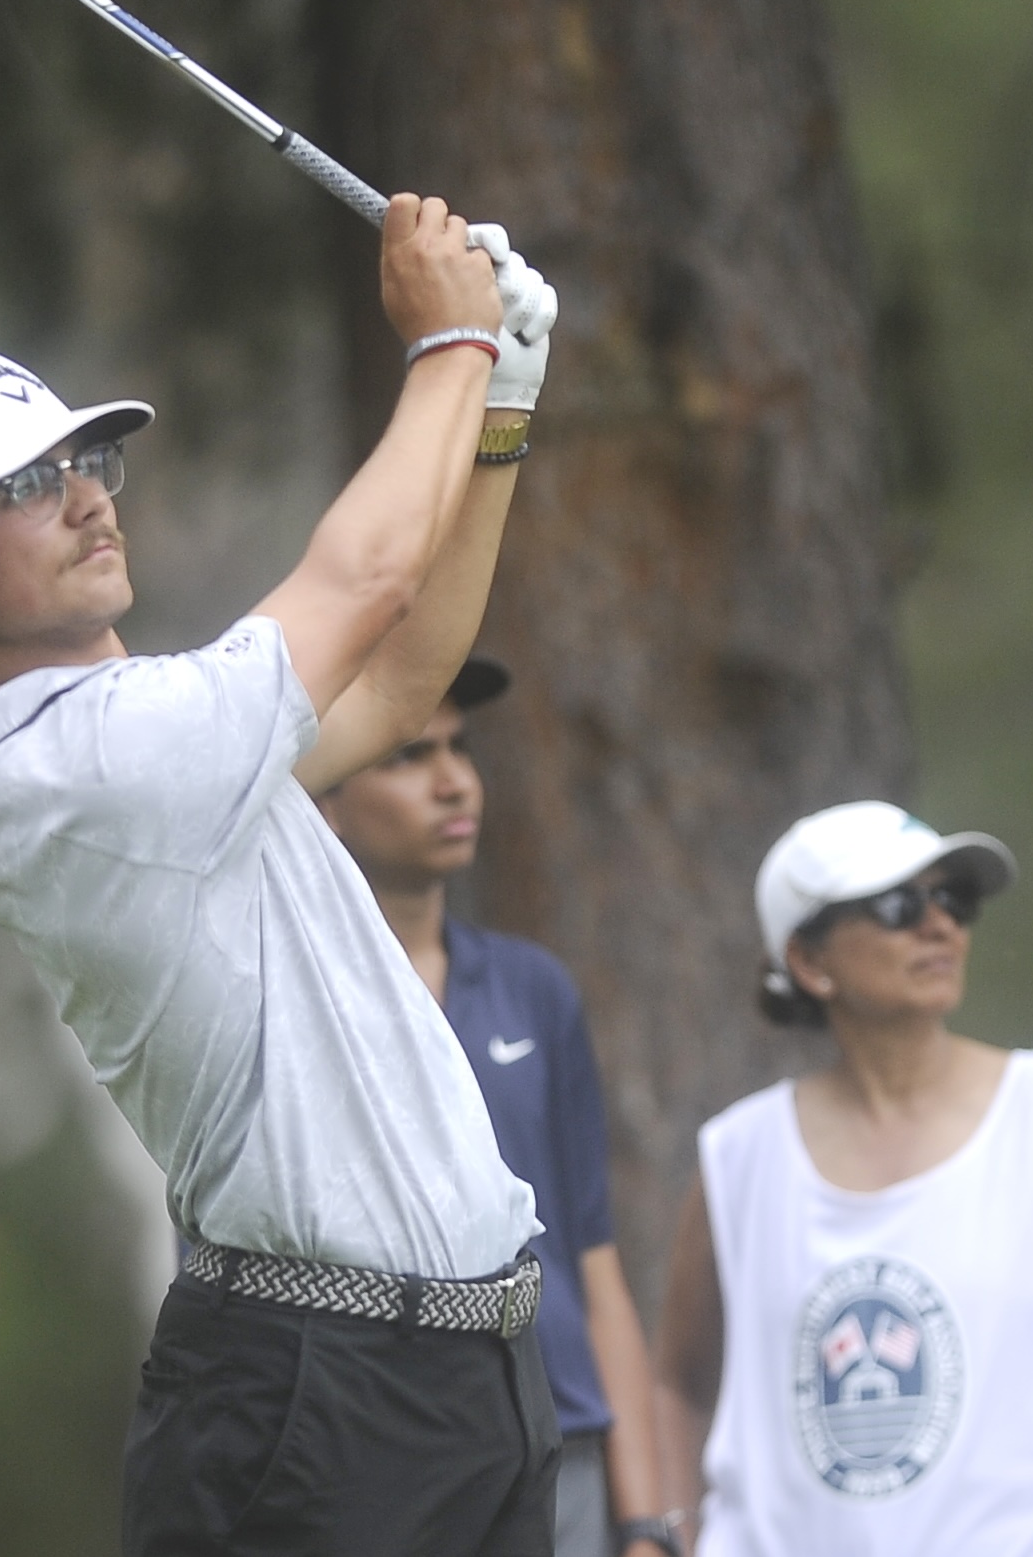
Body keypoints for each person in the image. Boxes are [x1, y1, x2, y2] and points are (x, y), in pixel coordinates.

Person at [0, 194, 563, 1557]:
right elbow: (364, 580)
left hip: (459, 1386)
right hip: (314, 1400)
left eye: (83, 461)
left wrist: (500, 405)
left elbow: (401, 679)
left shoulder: (154, 735)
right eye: (21, 487)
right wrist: (450, 345)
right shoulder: (79, 774)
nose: (85, 498)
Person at [650, 801, 1033, 1556]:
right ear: (808, 961)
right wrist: (664, 1535)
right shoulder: (739, 1156)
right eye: (898, 907)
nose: (940, 927)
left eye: (954, 900)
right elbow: (678, 1385)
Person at [314, 658, 686, 1557]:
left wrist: (646, 1523)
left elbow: (592, 1264)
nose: (455, 781)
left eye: (462, 748)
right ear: (322, 802)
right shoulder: (288, 1004)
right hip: (361, 1462)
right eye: (408, 755)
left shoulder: (533, 990)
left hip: (559, 1450)